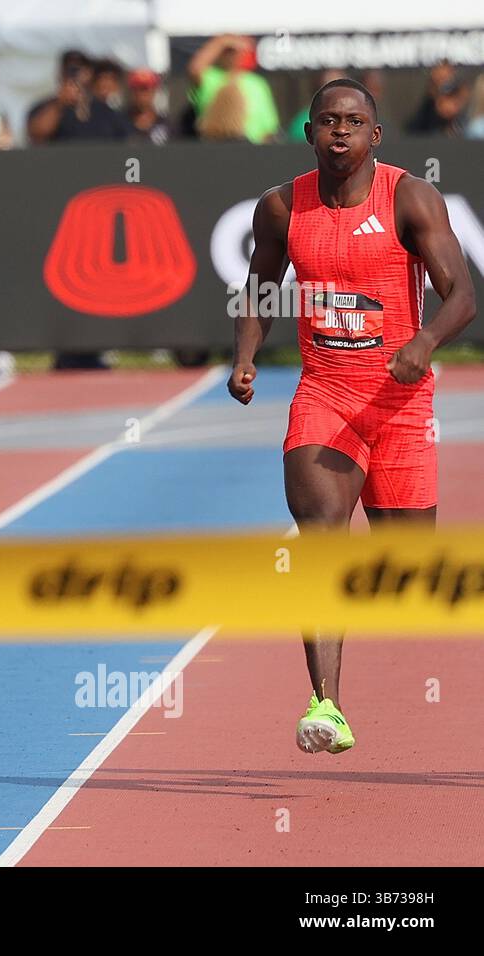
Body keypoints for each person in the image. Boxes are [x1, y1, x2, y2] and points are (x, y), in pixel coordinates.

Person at [228, 79, 475, 754]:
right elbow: (258, 284)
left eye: (353, 120)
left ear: (375, 135)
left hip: (398, 403)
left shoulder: (411, 198)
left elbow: (462, 296)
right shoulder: (281, 208)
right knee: (320, 549)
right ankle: (325, 704)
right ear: (308, 134)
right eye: (327, 121)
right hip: (325, 397)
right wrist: (247, 355)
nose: (340, 131)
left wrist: (422, 343)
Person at [187, 34, 279, 144]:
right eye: (227, 51)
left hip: (253, 148)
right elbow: (194, 69)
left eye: (236, 51)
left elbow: (269, 128)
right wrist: (222, 41)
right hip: (217, 145)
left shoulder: (257, 83)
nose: (232, 56)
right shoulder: (210, 78)